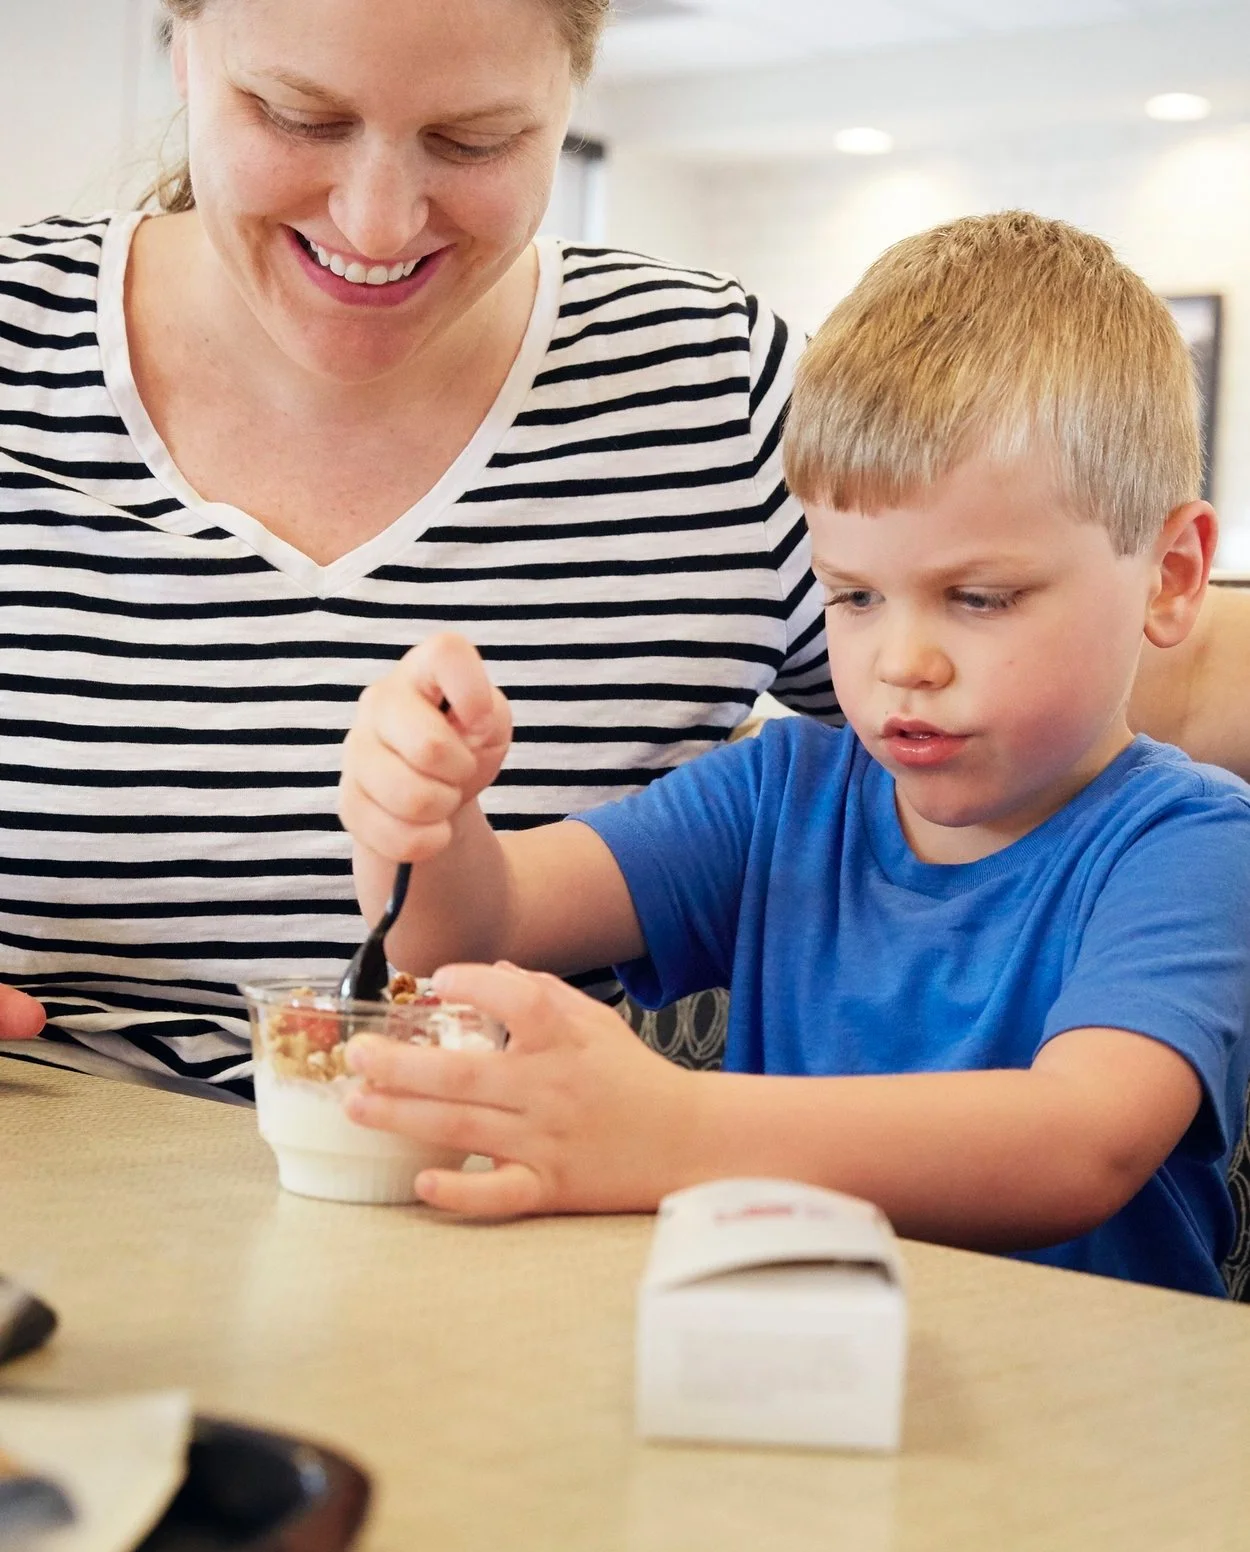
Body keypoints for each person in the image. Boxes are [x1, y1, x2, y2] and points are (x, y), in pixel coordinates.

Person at [2, 0, 1250, 1096]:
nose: (376, 219)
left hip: (513, 1236)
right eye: (296, 115)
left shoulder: (714, 389)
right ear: (181, 48)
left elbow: (1126, 661)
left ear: (567, 98)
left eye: (473, 139)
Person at [337, 211, 1250, 1298]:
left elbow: (1075, 1142)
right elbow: (473, 931)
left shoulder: (1190, 845)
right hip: (788, 1376)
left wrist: (670, 1126)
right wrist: (423, 819)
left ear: (1169, 575)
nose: (899, 661)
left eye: (978, 597)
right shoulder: (779, 794)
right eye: (852, 594)